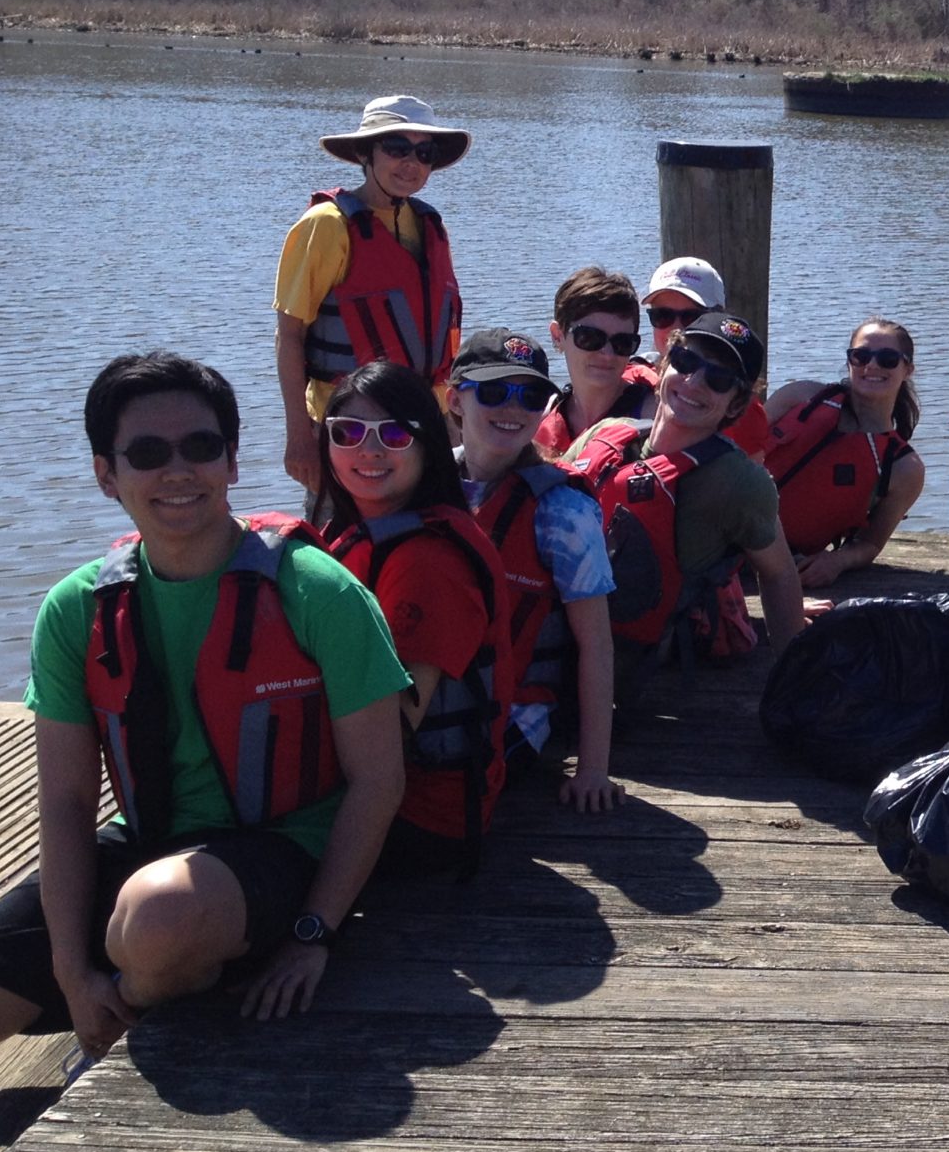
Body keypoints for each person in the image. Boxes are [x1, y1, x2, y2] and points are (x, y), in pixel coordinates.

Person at [0, 354, 406, 1066]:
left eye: (201, 446)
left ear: (231, 460)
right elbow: (68, 800)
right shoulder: (77, 609)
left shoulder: (318, 591)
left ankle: (125, 1018)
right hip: (147, 844)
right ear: (107, 474)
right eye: (147, 453)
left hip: (284, 849)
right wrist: (71, 971)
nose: (177, 470)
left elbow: (380, 780)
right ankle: (122, 982)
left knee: (159, 919)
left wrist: (313, 932)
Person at [317, 361, 513, 875]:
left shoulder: (429, 564)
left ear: (429, 445)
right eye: (348, 431)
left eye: (397, 434)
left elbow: (396, 733)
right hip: (375, 788)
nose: (371, 449)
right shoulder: (359, 529)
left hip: (421, 819)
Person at [568, 309, 810, 680]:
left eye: (718, 379)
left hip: (623, 666)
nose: (694, 381)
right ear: (663, 365)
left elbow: (778, 574)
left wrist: (795, 679)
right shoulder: (608, 431)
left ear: (735, 404)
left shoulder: (738, 481)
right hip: (549, 626)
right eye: (684, 361)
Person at [451, 329, 619, 814]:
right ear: (455, 400)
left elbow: (596, 643)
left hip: (515, 715)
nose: (512, 408)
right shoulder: (429, 482)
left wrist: (592, 770)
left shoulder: (562, 510)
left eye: (529, 395)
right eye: (493, 391)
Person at [274, 94, 467, 496]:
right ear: (365, 152)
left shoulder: (431, 226)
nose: (410, 163)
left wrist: (451, 426)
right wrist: (298, 436)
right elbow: (289, 335)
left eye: (424, 152)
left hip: (422, 430)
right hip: (350, 434)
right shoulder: (326, 225)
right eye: (397, 148)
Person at [762, 318, 928, 586]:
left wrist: (837, 561)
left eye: (887, 358)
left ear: (907, 369)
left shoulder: (904, 468)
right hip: (721, 533)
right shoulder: (799, 397)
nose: (872, 365)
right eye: (860, 356)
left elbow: (871, 543)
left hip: (781, 565)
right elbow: (735, 451)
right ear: (849, 361)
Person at [637, 256, 770, 460]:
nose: (675, 328)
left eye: (692, 317)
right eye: (662, 315)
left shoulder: (738, 407)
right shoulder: (632, 379)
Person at [536, 267, 657, 459]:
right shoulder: (538, 419)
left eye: (622, 343)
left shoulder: (654, 416)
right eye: (590, 338)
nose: (607, 354)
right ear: (557, 336)